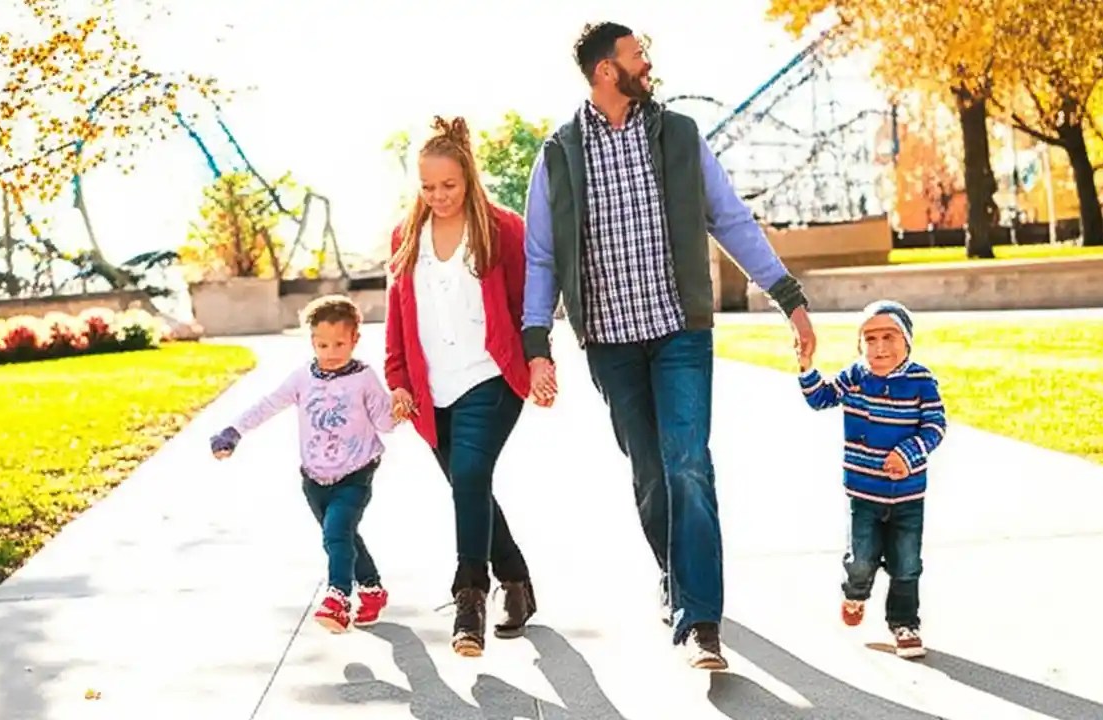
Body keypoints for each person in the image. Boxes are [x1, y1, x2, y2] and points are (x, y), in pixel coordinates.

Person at [520, 21, 817, 670]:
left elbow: (730, 218)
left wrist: (786, 295)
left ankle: (701, 620)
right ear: (605, 70)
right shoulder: (559, 155)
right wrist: (535, 339)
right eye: (636, 56)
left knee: (687, 462)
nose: (647, 64)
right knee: (651, 474)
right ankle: (675, 577)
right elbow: (540, 257)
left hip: (680, 331)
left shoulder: (679, 135)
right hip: (610, 343)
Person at [384, 116, 537, 657]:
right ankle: (516, 578)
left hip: (490, 377)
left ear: (469, 177)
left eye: (449, 185)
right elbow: (397, 320)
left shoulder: (503, 229)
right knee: (469, 486)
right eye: (428, 186)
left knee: (470, 473)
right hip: (432, 391)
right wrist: (397, 380)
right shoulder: (406, 237)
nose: (439, 196)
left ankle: (470, 597)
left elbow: (530, 308)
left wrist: (539, 361)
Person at [209, 295, 401, 634]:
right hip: (313, 478)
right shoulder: (302, 378)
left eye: (339, 343)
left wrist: (399, 406)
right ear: (311, 341)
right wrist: (233, 431)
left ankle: (337, 598)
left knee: (336, 533)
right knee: (344, 536)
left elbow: (384, 423)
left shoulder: (364, 378)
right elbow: (268, 404)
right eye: (321, 344)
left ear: (355, 339)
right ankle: (371, 588)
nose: (330, 352)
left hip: (356, 472)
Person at [797, 300, 946, 660]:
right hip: (863, 492)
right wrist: (806, 368)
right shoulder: (855, 376)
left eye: (889, 337)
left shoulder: (921, 381)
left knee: (906, 564)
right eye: (870, 338)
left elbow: (935, 426)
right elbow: (821, 398)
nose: (879, 347)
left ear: (907, 341)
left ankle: (904, 624)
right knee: (861, 558)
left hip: (909, 495)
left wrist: (907, 454)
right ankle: (856, 592)